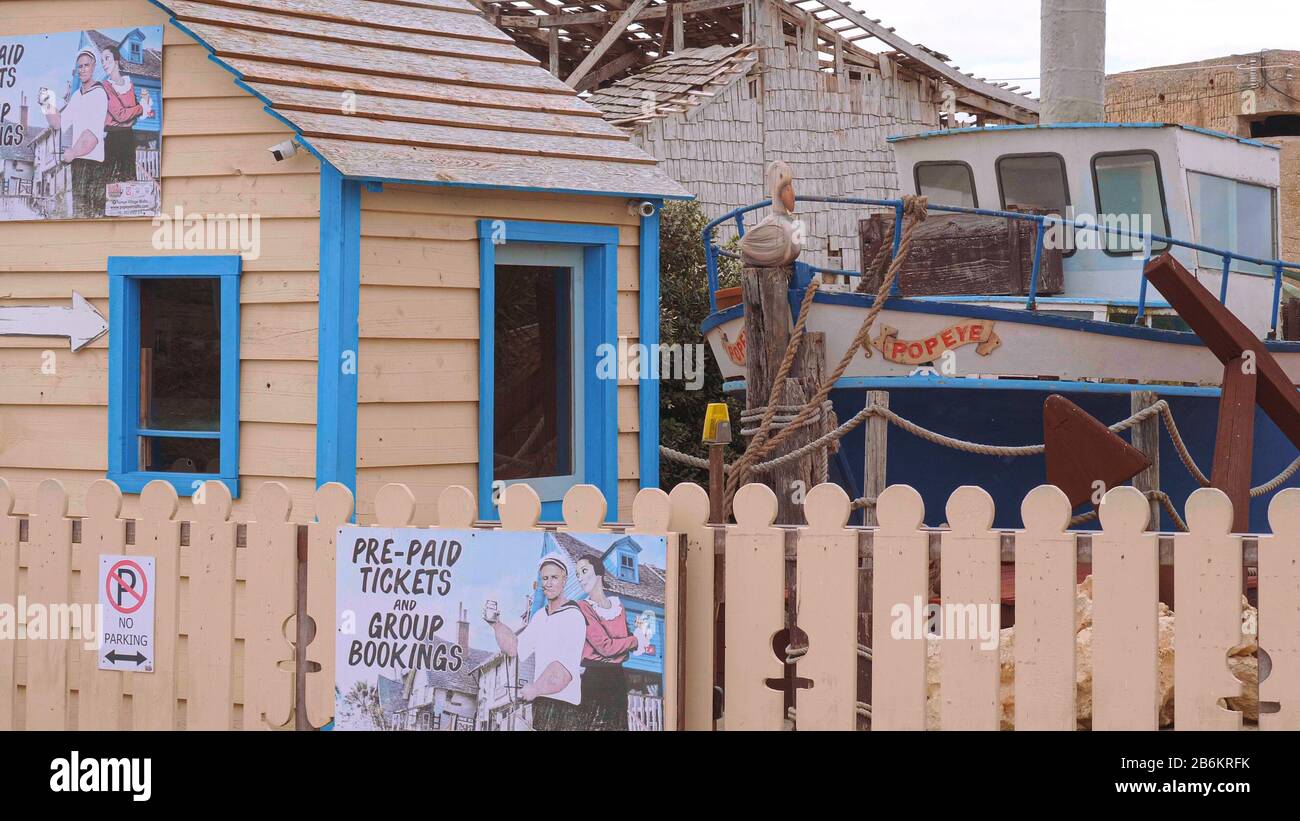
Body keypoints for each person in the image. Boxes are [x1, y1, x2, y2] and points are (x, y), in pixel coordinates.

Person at [484, 553, 586, 731]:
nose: (548, 583)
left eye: (554, 577)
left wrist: (535, 688)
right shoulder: (540, 616)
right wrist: (496, 624)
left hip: (565, 708)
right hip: (542, 704)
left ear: (564, 579)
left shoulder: (574, 616)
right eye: (544, 578)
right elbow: (514, 648)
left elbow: (563, 670)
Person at [574, 556, 639, 730]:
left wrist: (624, 645)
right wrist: (633, 641)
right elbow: (605, 647)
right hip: (594, 679)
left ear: (599, 573)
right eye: (577, 574)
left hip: (617, 678)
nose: (580, 577)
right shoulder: (583, 607)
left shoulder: (618, 605)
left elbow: (623, 649)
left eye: (584, 571)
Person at [42, 48, 108, 217]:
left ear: (93, 67)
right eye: (80, 66)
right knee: (79, 216)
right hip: (79, 164)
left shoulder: (99, 94)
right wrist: (46, 103)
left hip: (94, 165)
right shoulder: (77, 96)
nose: (83, 69)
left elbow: (92, 135)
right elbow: (58, 123)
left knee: (93, 217)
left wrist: (72, 153)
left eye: (86, 65)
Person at [100, 45, 143, 184]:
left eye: (107, 58)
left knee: (129, 178)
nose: (104, 63)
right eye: (102, 61)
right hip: (113, 137)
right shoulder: (105, 86)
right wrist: (140, 108)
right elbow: (120, 114)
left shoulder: (129, 84)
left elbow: (132, 118)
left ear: (116, 60)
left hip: (129, 136)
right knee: (113, 181)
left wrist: (130, 113)